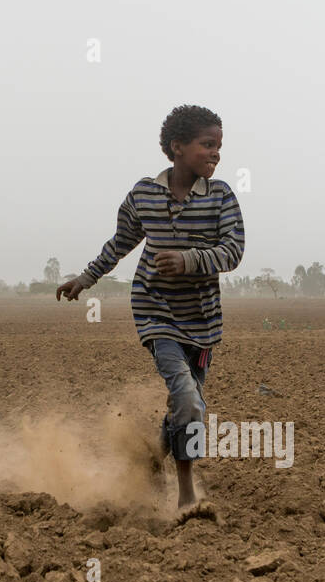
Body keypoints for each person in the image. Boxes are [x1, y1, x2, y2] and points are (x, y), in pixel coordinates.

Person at [56, 105, 245, 512]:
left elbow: (233, 251)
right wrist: (85, 279)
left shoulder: (222, 196)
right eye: (207, 145)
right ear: (177, 147)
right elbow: (120, 243)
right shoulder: (144, 195)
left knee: (185, 402)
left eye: (219, 147)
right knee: (189, 401)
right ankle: (186, 489)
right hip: (156, 312)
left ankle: (151, 459)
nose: (215, 154)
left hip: (204, 322)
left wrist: (188, 259)